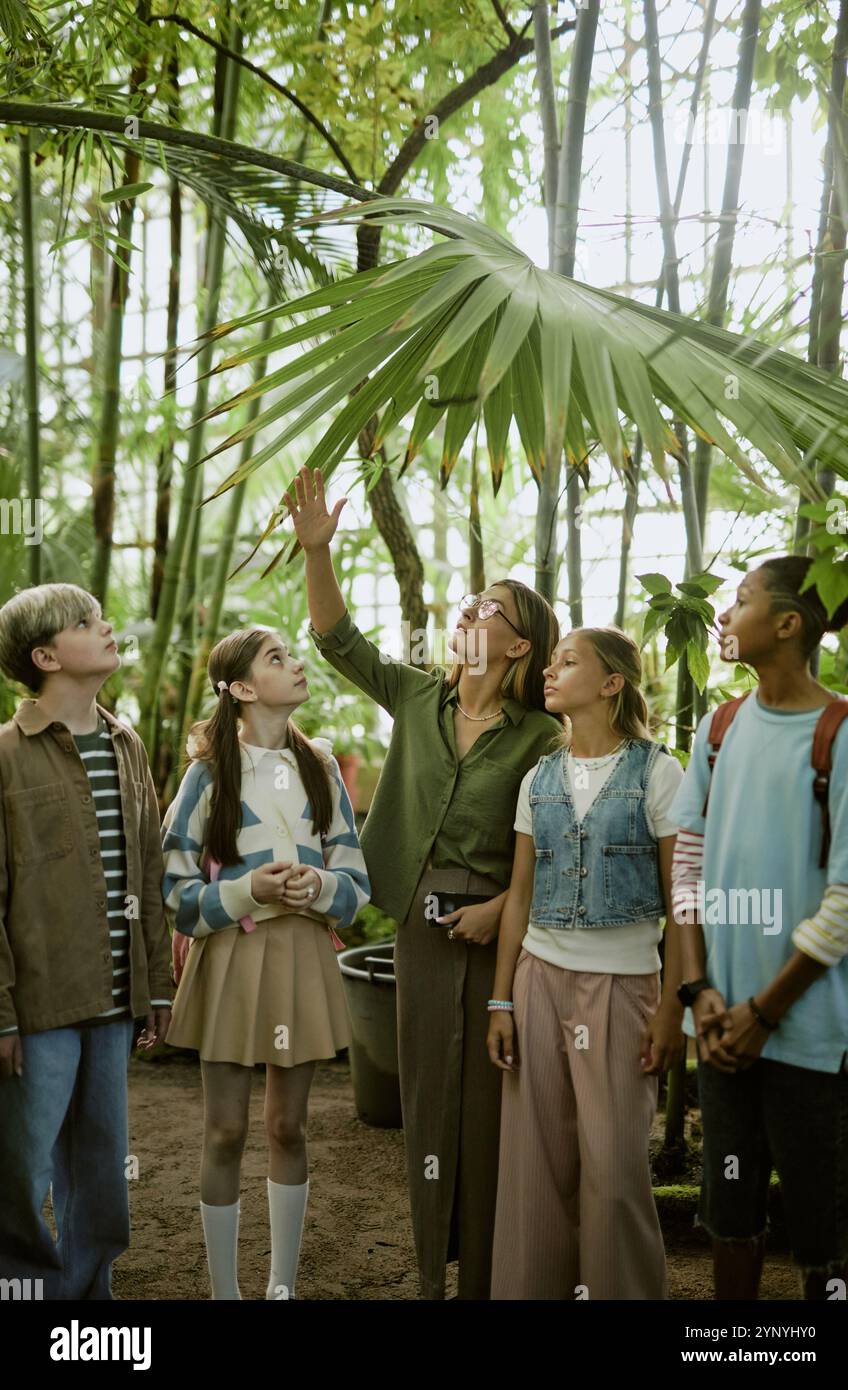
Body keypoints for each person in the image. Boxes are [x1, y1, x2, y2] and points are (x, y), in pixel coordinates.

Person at [286, 464, 563, 1300]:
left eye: (493, 608)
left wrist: (503, 909)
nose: (471, 609)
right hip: (418, 920)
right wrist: (318, 552)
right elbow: (337, 639)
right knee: (425, 1102)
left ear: (519, 645)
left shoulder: (543, 735)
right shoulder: (414, 697)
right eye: (472, 599)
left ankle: (484, 1275)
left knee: (486, 1107)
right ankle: (429, 1280)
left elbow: (557, 846)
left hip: (501, 927)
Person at [670, 555, 848, 1300]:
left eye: (741, 599)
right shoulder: (719, 729)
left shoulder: (845, 738)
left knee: (822, 1236)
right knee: (730, 1217)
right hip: (721, 1029)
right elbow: (686, 868)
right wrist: (699, 992)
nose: (725, 614)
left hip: (809, 1035)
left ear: (787, 624)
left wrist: (764, 1012)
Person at [161, 624, 370, 1300]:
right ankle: (226, 1292)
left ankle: (282, 1287)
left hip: (302, 952)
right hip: (229, 956)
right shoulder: (207, 773)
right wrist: (249, 889)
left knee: (288, 1126)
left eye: (291, 653)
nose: (295, 663)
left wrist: (320, 889)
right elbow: (173, 889)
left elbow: (355, 879)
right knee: (224, 1129)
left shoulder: (322, 767)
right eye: (276, 658)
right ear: (245, 688)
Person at [487, 626, 684, 1299]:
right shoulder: (537, 778)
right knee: (536, 1167)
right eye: (551, 661)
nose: (549, 670)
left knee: (614, 1168)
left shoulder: (659, 771)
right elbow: (517, 899)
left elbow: (684, 904)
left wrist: (675, 1006)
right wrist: (501, 1000)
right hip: (537, 979)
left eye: (567, 661)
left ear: (611, 683)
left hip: (624, 987)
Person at [0, 582, 173, 1299]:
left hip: (113, 997)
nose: (105, 628)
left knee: (102, 1166)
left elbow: (150, 867)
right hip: (37, 1004)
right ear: (44, 654)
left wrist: (157, 983)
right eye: (85, 622)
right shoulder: (6, 753)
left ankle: (85, 1299)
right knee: (19, 1167)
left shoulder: (125, 742)